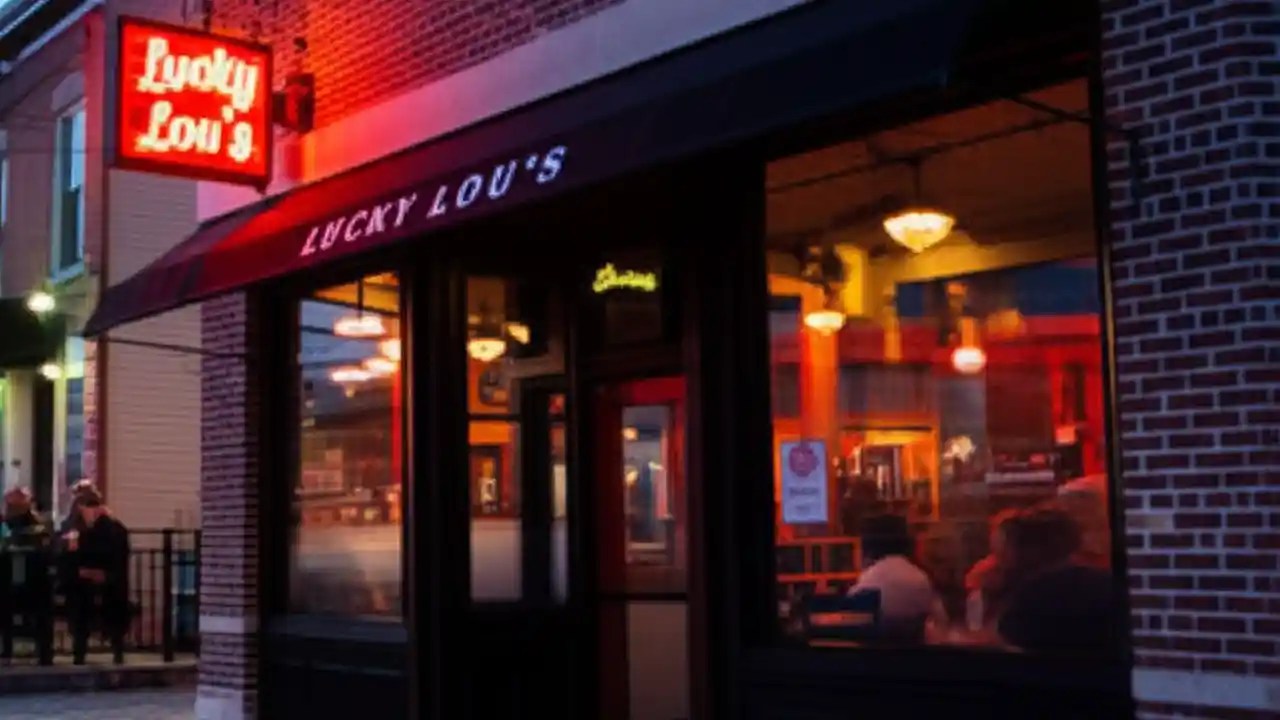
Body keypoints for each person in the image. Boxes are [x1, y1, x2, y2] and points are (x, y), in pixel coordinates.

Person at [995, 504, 1116, 657]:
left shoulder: (1031, 596)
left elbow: (1011, 645)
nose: (1000, 555)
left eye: (1007, 546)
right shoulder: (1105, 582)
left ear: (1030, 549)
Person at [846, 513, 946, 643]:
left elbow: (849, 623)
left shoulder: (869, 582)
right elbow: (942, 621)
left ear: (867, 547)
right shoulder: (920, 578)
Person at [65, 489, 131, 665]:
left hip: (108, 578)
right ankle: (82, 652)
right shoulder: (76, 527)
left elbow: (116, 552)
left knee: (110, 608)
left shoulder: (108, 527)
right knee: (81, 609)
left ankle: (112, 649)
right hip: (84, 579)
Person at [1, 487, 53, 663]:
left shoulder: (36, 525)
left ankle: (43, 653)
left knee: (38, 615)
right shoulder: (10, 524)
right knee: (11, 614)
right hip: (15, 575)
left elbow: (42, 546)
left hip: (32, 575)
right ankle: (8, 650)